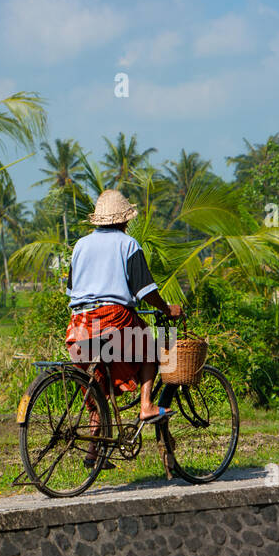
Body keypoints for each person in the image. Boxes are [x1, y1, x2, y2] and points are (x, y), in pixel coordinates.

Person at [65, 190, 182, 463]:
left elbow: (72, 288)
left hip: (79, 324)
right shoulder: (128, 244)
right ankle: (146, 405)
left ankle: (95, 450)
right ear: (124, 220)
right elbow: (145, 290)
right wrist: (166, 309)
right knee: (153, 348)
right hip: (112, 318)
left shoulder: (81, 245)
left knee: (97, 383)